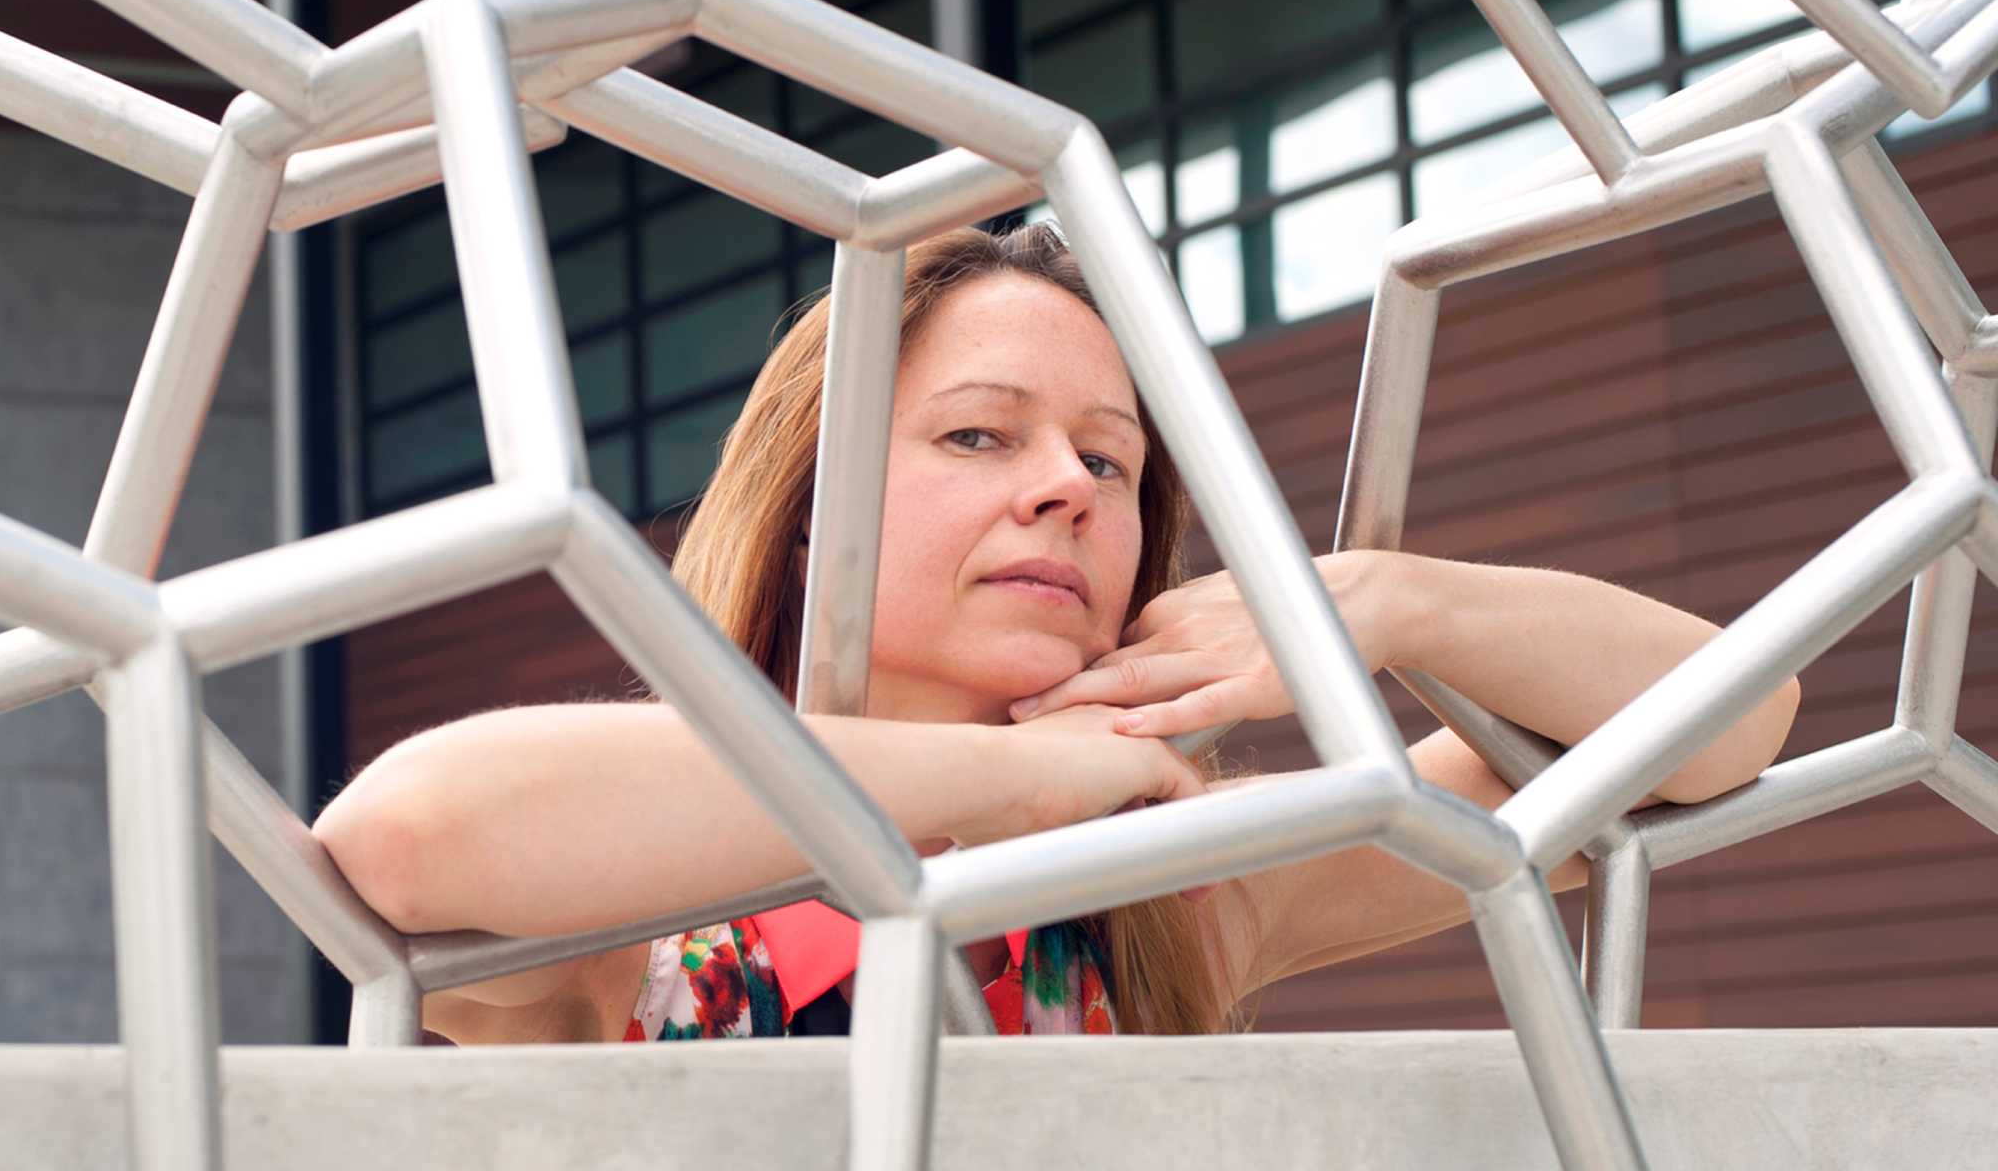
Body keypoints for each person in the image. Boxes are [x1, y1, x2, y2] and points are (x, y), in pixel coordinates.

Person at [312, 223, 1799, 1044]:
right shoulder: (639, 908)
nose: (1063, 492)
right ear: (809, 502)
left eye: (1110, 461)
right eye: (979, 436)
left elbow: (1725, 727)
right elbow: (404, 836)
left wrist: (1385, 601)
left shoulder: (1171, 892)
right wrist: (1020, 786)